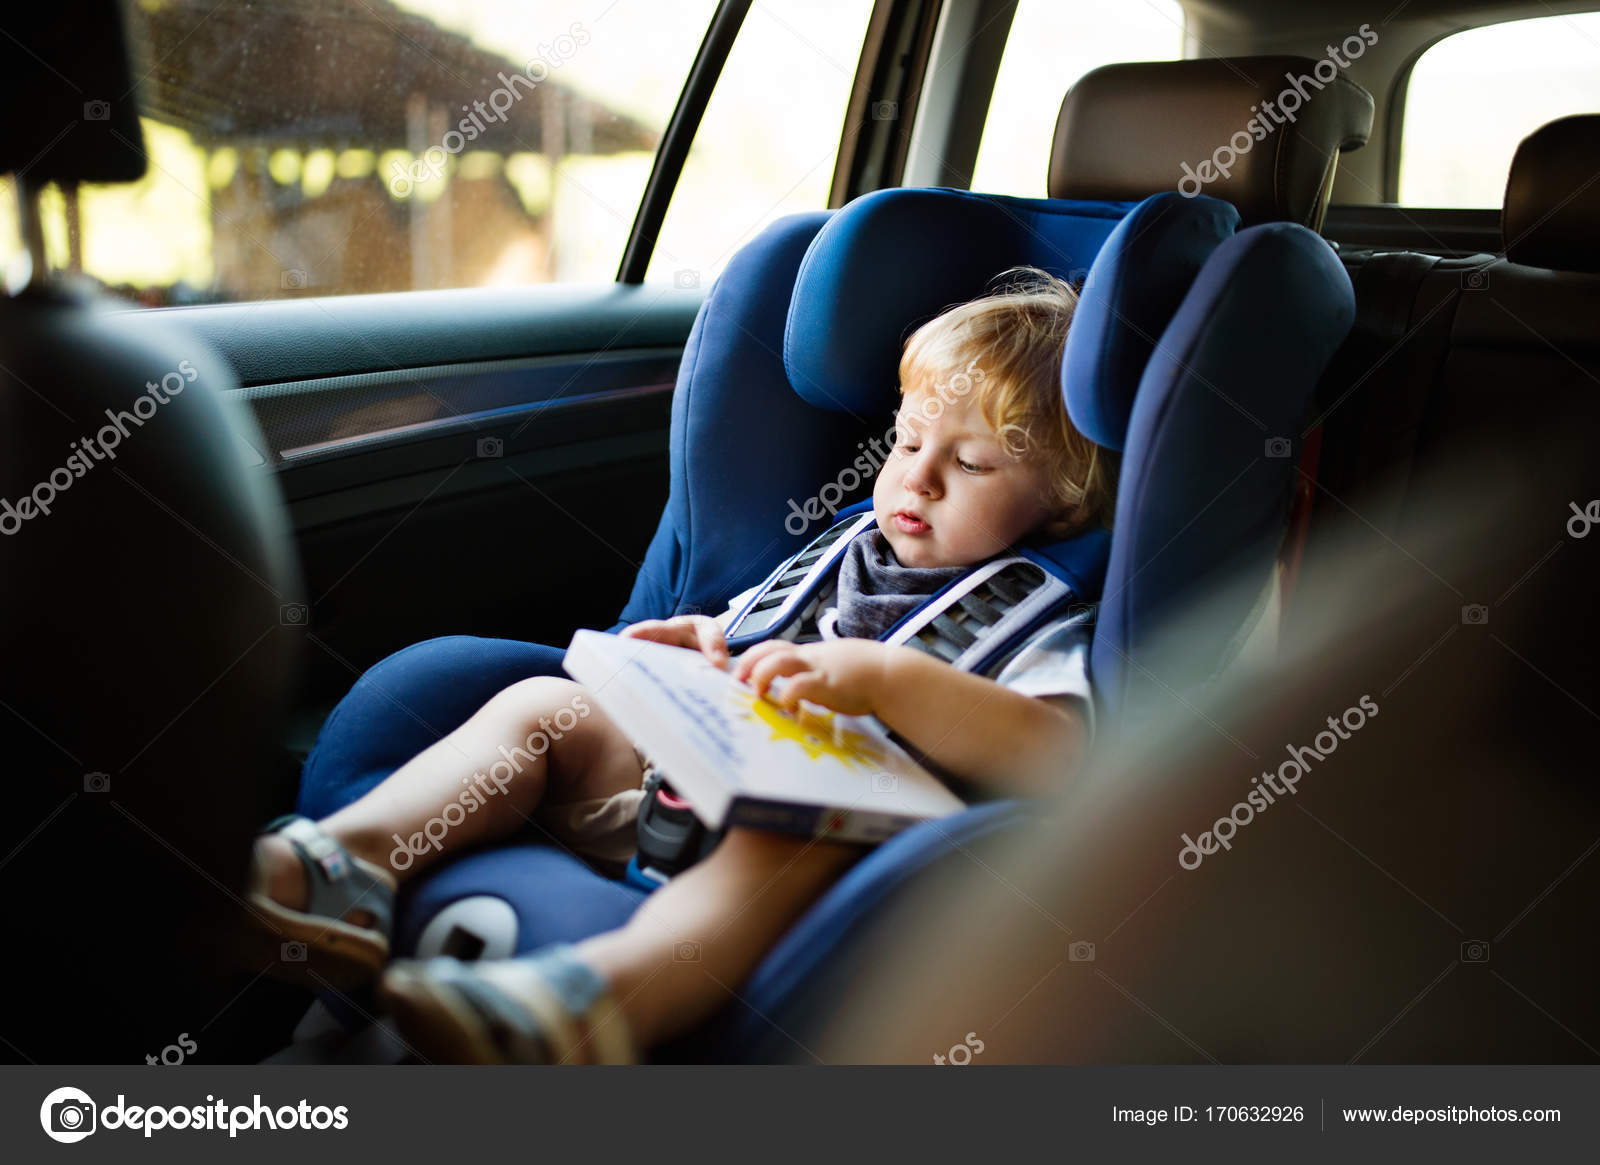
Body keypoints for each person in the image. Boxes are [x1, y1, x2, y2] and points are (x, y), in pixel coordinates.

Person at [247, 267, 1116, 1062]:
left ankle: (597, 1002)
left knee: (796, 832)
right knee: (545, 706)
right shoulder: (847, 541)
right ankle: (348, 867)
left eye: (969, 463)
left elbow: (1059, 757)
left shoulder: (1040, 611)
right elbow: (738, 635)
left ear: (1064, 499)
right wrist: (695, 645)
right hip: (681, 778)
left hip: (831, 847)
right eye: (905, 442)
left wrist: (891, 682)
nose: (916, 481)